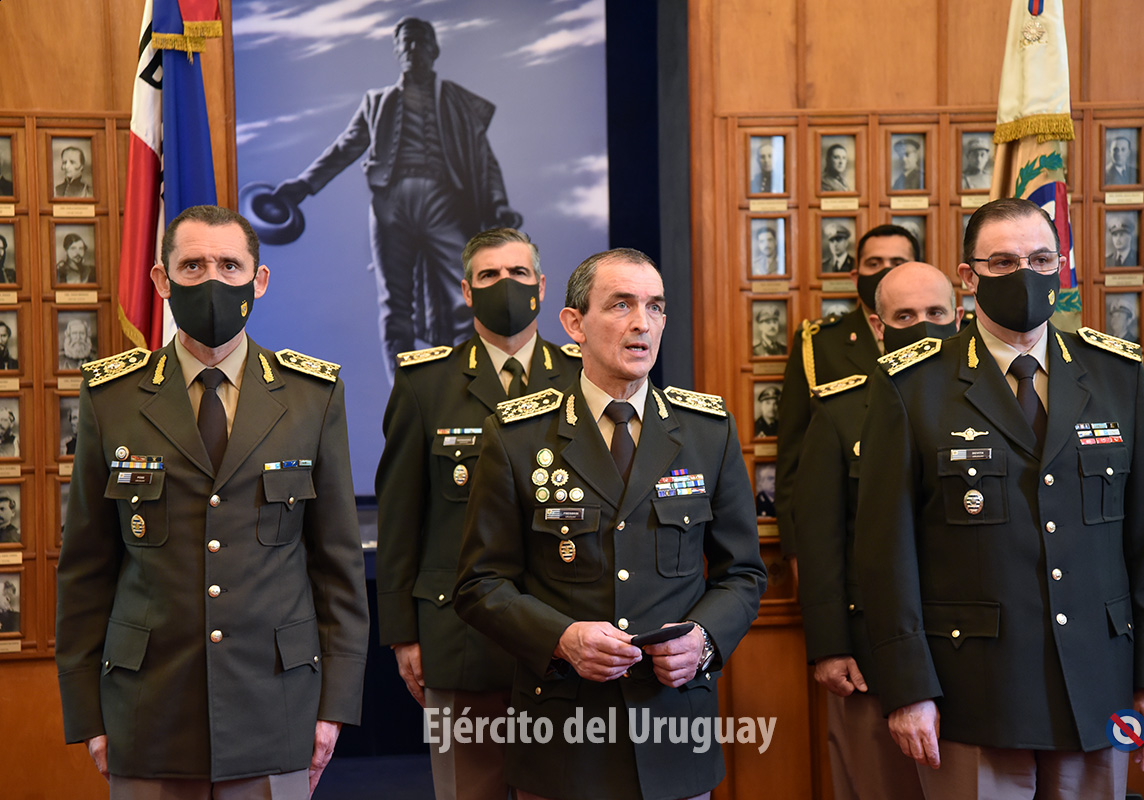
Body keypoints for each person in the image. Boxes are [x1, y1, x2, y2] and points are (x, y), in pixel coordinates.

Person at [855, 198, 1144, 799]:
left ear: (1063, 266)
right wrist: (908, 689)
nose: (1024, 275)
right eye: (1003, 263)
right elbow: (885, 554)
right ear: (969, 277)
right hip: (973, 691)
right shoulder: (913, 384)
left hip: (1097, 683)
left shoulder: (1115, 373)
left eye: (1039, 258)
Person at [55, 205, 370, 798]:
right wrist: (87, 713)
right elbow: (86, 569)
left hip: (277, 706)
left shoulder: (312, 397)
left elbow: (337, 569)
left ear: (260, 280)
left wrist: (335, 706)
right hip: (148, 709)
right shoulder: (112, 397)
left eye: (230, 265)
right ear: (161, 280)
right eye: (193, 266)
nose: (213, 282)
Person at [455, 248, 767, 800]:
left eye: (655, 307)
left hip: (675, 724)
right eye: (620, 304)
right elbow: (481, 585)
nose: (641, 322)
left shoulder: (706, 430)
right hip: (565, 736)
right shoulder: (517, 436)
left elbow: (742, 573)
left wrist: (704, 639)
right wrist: (561, 638)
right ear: (574, 323)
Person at [375, 227, 580, 800]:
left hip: (561, 633)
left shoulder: (582, 376)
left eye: (518, 274)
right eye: (488, 275)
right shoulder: (425, 384)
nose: (504, 285)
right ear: (466, 290)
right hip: (457, 636)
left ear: (541, 287)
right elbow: (399, 519)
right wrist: (402, 635)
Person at [796, 262, 962, 800]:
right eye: (906, 315)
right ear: (877, 324)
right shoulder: (843, 411)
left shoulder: (994, 404)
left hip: (974, 652)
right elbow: (819, 538)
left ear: (959, 318)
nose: (924, 326)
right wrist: (828, 646)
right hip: (871, 655)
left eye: (936, 313)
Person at [274, 17, 522, 375]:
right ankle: (403, 400)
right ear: (397, 51)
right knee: (395, 307)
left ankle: (466, 389)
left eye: (420, 43)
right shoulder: (377, 103)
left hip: (445, 203)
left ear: (434, 51)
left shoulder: (457, 102)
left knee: (466, 297)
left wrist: (498, 203)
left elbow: (485, 160)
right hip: (390, 205)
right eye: (405, 43)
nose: (412, 50)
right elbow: (344, 149)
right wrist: (303, 185)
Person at [775, 224, 920, 578]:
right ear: (856, 274)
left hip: (923, 525)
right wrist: (795, 549)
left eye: (897, 262)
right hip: (842, 533)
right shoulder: (819, 343)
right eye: (874, 263)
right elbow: (793, 452)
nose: (885, 270)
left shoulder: (948, 337)